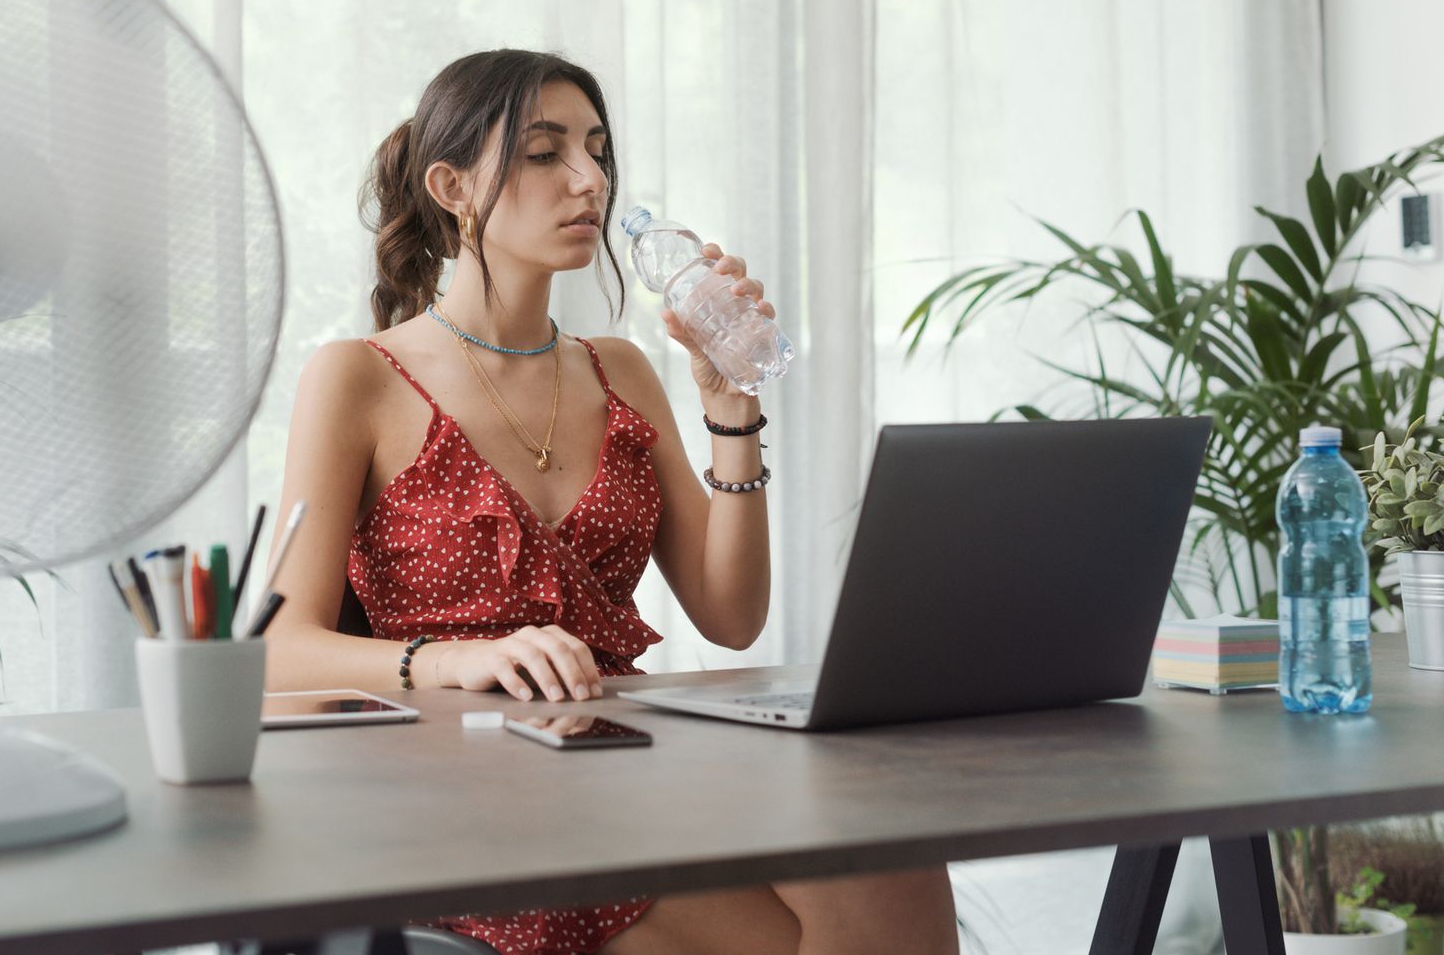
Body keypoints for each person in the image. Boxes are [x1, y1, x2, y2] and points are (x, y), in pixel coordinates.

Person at [263, 49, 957, 955]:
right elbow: (279, 657)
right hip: (469, 785)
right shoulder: (357, 377)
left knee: (887, 850)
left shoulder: (618, 370)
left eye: (597, 150)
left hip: (632, 750)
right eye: (545, 153)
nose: (589, 179)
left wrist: (731, 407)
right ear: (452, 185)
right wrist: (455, 660)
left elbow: (733, 616)